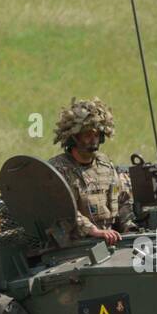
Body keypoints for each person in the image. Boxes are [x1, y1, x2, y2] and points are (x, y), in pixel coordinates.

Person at [47, 98, 133, 246]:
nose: (93, 140)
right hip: (75, 246)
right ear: (73, 138)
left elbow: (123, 199)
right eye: (87, 135)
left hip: (109, 240)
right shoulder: (58, 170)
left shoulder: (105, 165)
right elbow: (63, 211)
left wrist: (129, 227)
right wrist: (94, 231)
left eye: (96, 135)